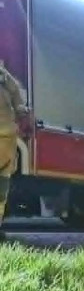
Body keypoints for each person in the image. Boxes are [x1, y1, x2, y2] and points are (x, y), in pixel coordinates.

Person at [0, 60, 29, 240]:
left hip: (6, 139)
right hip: (7, 139)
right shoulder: (5, 77)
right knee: (2, 189)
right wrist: (20, 111)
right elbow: (18, 98)